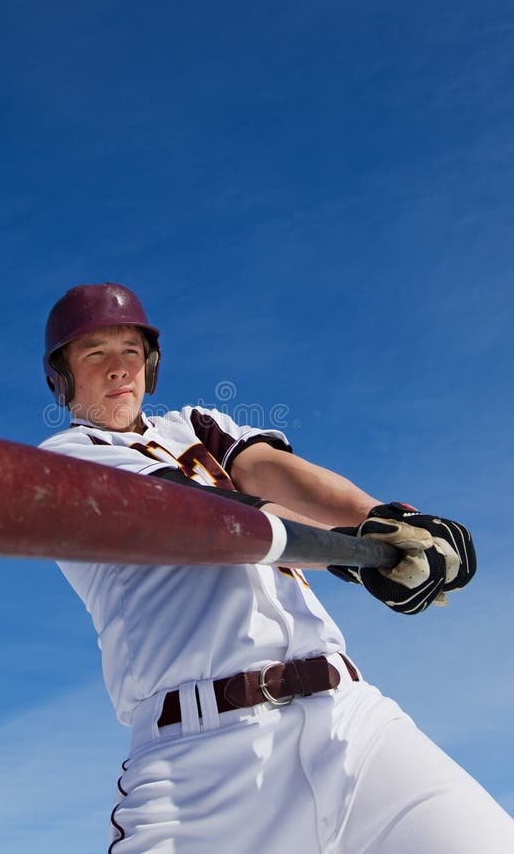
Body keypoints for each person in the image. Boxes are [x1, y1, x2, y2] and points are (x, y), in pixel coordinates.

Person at [39, 282, 513, 853]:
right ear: (62, 377)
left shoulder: (194, 425)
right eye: (95, 354)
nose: (119, 369)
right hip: (204, 762)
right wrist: (346, 556)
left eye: (131, 352)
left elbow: (270, 471)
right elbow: (206, 516)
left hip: (349, 720)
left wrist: (383, 524)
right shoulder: (66, 461)